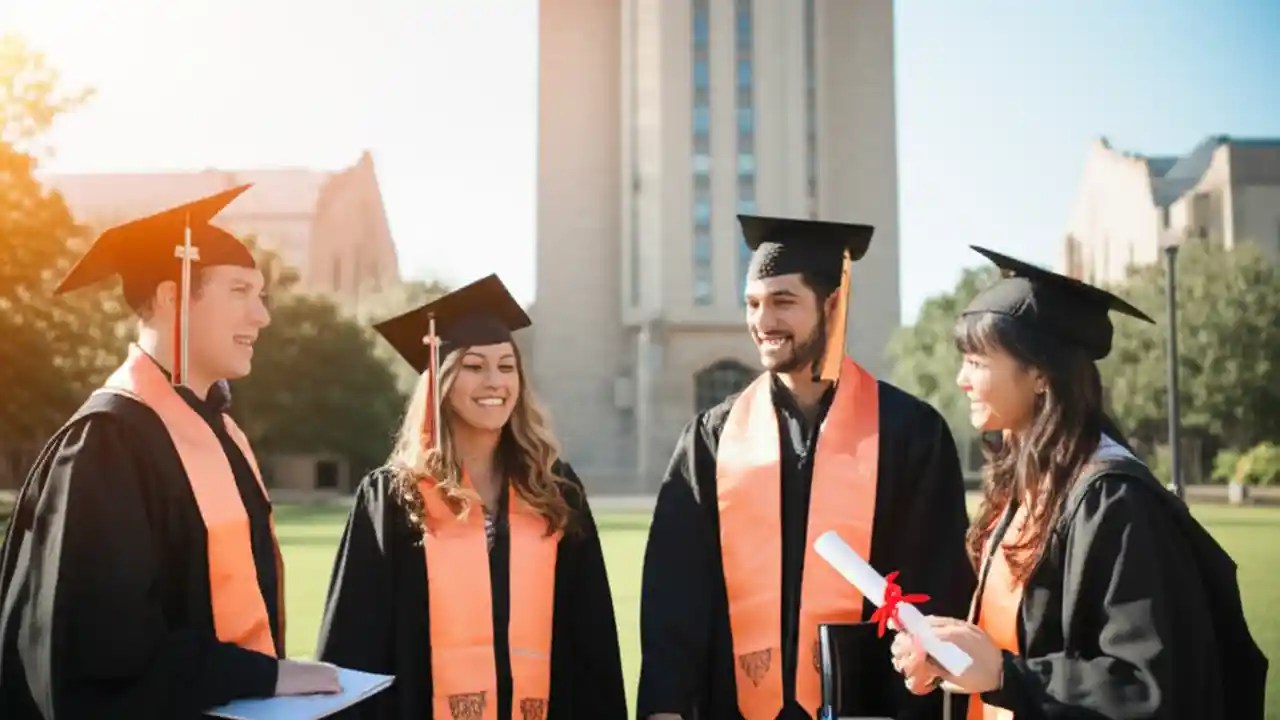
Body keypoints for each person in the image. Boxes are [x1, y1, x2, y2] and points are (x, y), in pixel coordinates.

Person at [0, 185, 341, 719]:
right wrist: (268, 675)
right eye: (240, 290)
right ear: (171, 296)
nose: (262, 316)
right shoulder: (107, 443)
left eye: (262, 295)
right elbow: (106, 649)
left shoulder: (221, 434)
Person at [891, 246, 1269, 719]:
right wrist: (947, 648)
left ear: (1042, 376)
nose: (961, 379)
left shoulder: (1114, 501)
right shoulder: (1024, 489)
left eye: (978, 362)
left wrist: (1009, 676)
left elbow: (1147, 685)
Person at [636, 215, 975, 720]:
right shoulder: (712, 439)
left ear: (832, 305)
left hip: (873, 708)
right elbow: (675, 595)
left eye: (783, 302)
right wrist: (666, 706)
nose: (763, 321)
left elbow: (939, 588)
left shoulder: (909, 435)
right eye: (753, 304)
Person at [315, 273, 628, 720]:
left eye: (506, 366)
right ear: (441, 380)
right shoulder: (393, 496)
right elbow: (356, 640)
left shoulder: (554, 489)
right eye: (474, 366)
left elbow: (591, 634)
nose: (495, 382)